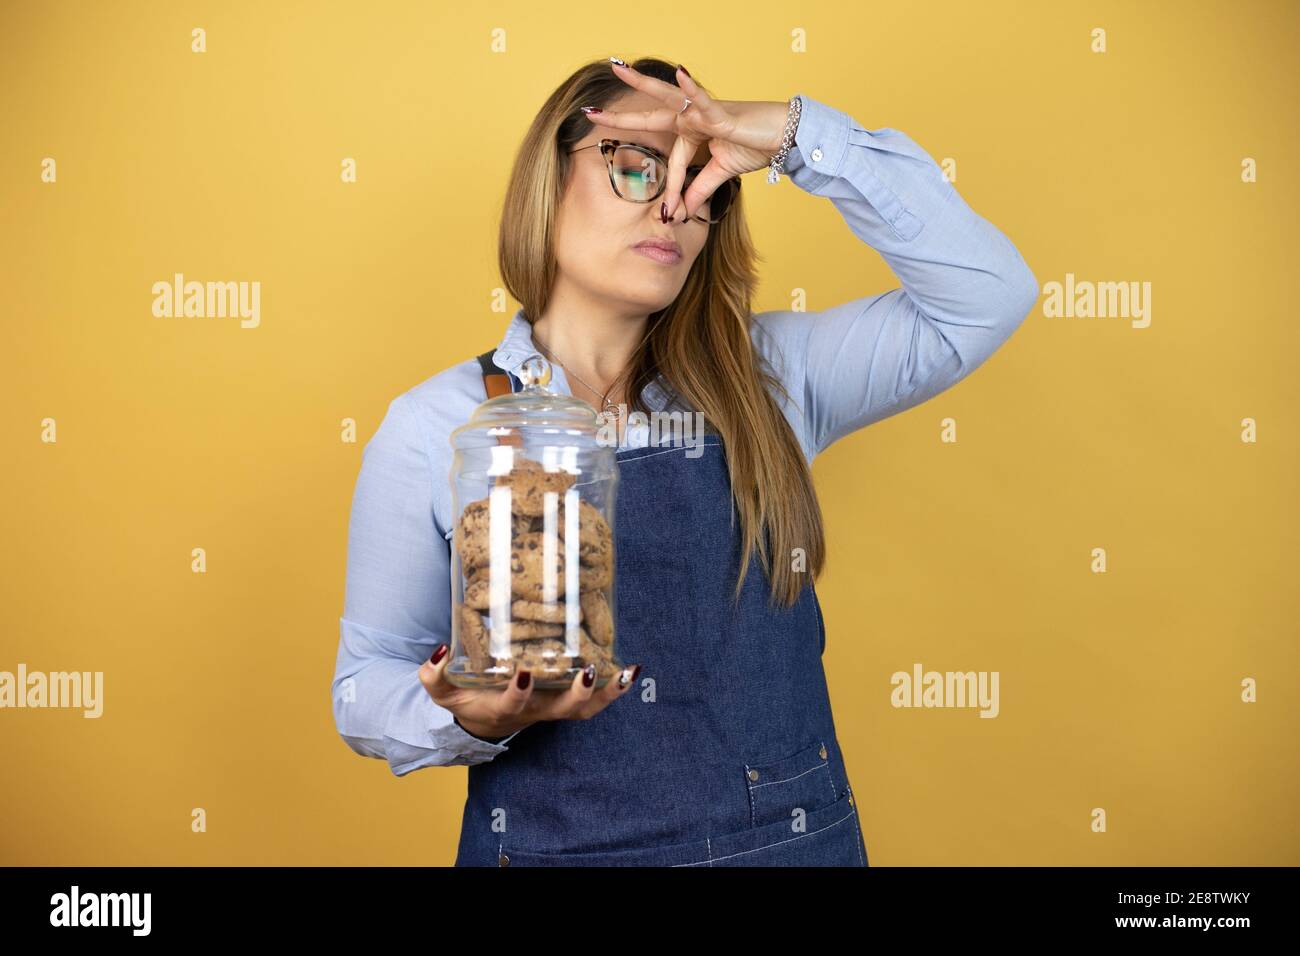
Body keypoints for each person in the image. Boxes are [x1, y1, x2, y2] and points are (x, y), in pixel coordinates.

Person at [331, 56, 1038, 866]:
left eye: (701, 183)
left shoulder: (773, 378)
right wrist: (466, 716)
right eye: (634, 166)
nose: (672, 204)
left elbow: (991, 294)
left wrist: (795, 135)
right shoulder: (438, 424)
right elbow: (365, 689)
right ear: (547, 180)